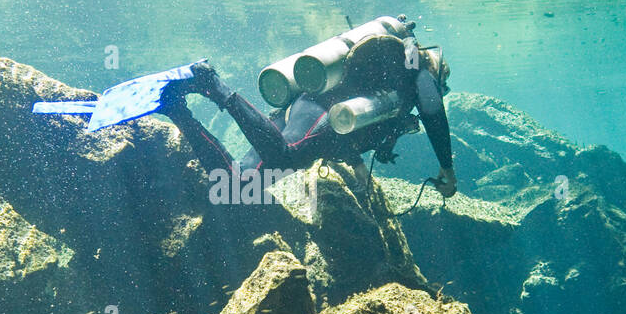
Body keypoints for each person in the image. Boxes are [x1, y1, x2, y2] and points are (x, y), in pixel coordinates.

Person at [161, 24, 456, 198]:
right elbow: (432, 110)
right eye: (442, 80)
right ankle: (211, 83)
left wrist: (358, 167)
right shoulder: (415, 68)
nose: (439, 86)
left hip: (309, 110)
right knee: (283, 155)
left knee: (237, 186)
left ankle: (176, 109)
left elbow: (357, 121)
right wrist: (447, 168)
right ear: (435, 66)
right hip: (318, 115)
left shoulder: (395, 75)